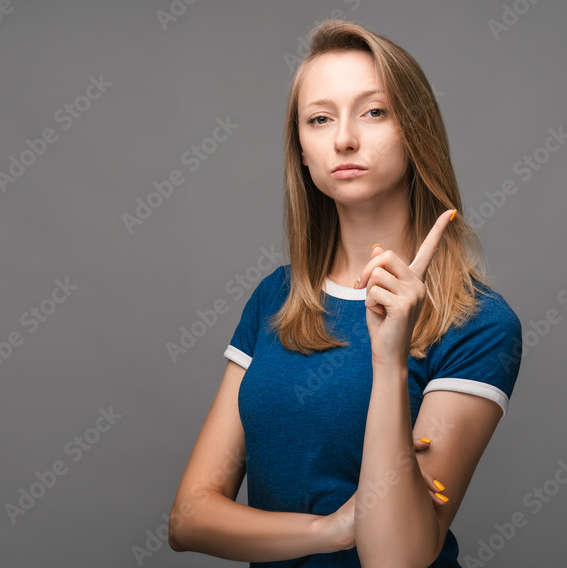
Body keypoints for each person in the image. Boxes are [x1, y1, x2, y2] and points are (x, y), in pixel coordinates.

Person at [167, 19, 523, 567]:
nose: (344, 138)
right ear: (303, 155)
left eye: (374, 111)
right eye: (319, 119)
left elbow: (396, 558)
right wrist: (330, 529)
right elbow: (189, 518)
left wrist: (389, 362)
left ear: (416, 131)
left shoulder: (477, 321)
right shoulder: (275, 299)